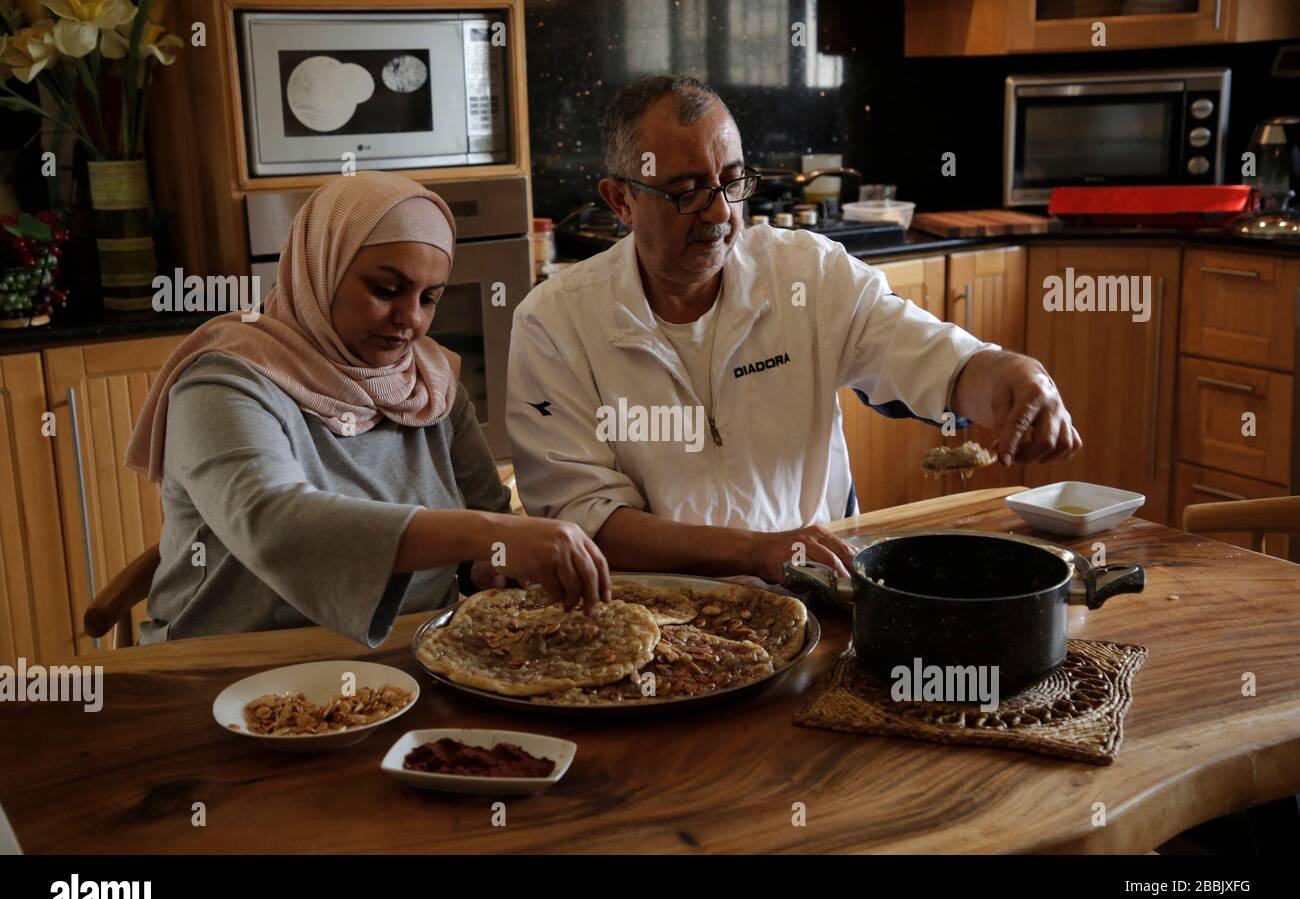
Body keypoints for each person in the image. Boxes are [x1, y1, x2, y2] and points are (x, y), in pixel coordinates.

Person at [506, 75, 1081, 584]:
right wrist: (755, 553)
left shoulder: (806, 275)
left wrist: (1010, 374)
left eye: (732, 183)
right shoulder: (556, 324)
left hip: (818, 590)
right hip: (658, 615)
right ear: (622, 200)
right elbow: (586, 522)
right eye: (687, 193)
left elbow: (934, 361)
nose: (719, 213)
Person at [126, 171, 609, 645]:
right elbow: (273, 524)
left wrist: (491, 565)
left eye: (430, 298)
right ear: (321, 268)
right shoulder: (224, 381)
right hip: (231, 670)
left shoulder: (431, 387)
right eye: (385, 290)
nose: (411, 320)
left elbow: (483, 542)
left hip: (415, 660)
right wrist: (484, 533)